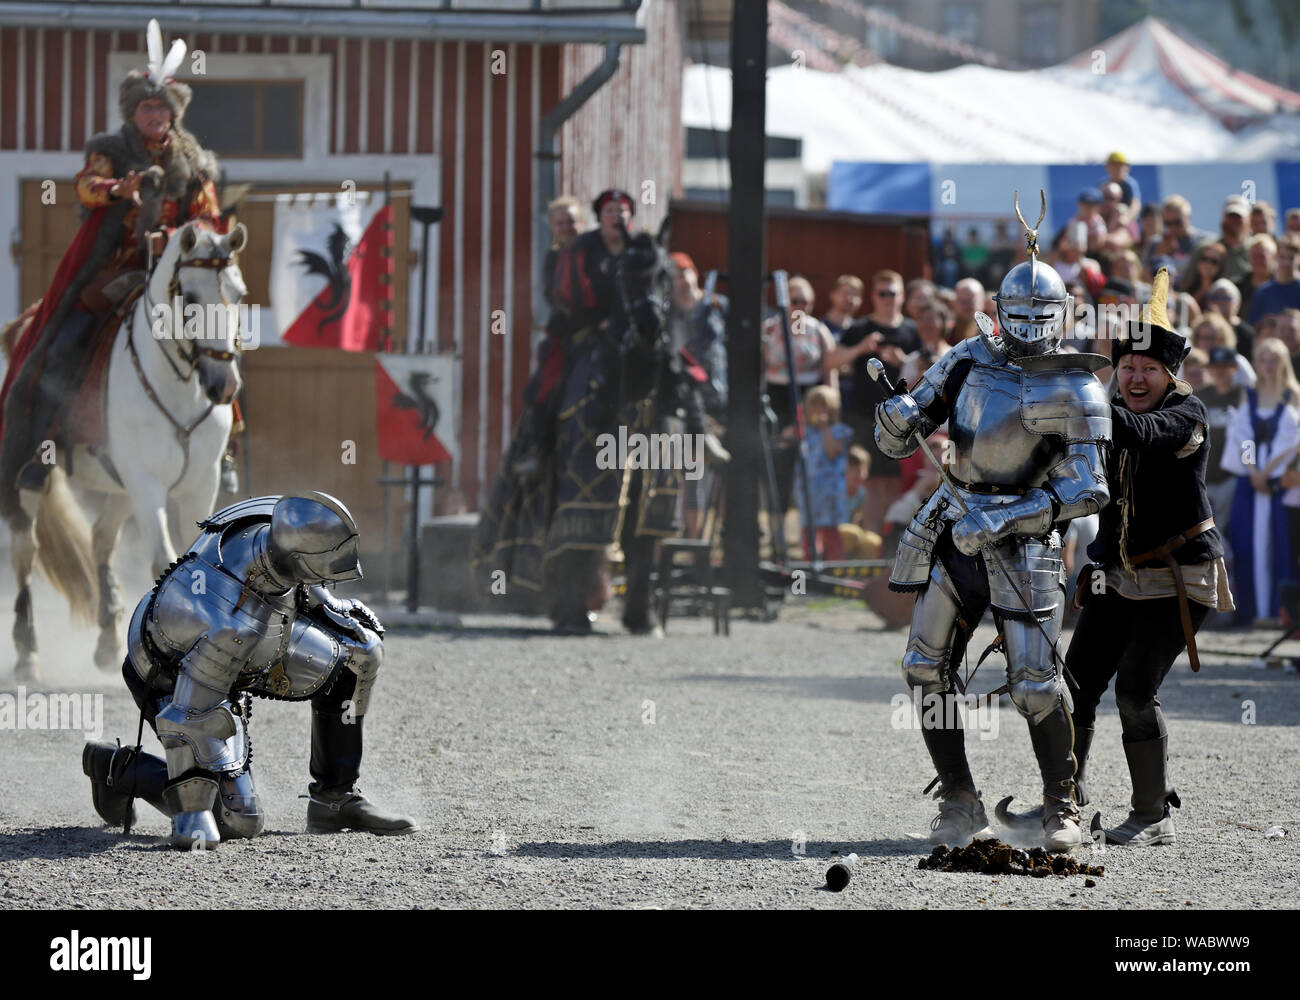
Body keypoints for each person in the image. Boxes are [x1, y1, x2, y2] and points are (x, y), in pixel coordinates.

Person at [875, 194, 1111, 851]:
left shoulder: (1077, 386)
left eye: (1042, 312)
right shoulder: (967, 357)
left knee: (1035, 683)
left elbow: (1089, 489)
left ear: (1062, 315)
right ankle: (958, 799)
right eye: (1019, 312)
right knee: (924, 666)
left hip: (1027, 540)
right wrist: (896, 420)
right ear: (999, 312)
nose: (1030, 323)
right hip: (953, 524)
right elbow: (911, 424)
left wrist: (1009, 516)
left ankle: (1060, 805)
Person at [81, 493, 415, 849]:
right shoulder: (224, 616)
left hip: (247, 639)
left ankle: (334, 798)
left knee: (358, 654)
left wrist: (341, 617)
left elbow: (303, 585)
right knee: (238, 820)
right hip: (169, 669)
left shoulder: (273, 536)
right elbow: (187, 718)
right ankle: (118, 769)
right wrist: (191, 818)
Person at [0, 20, 223, 504]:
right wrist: (117, 190)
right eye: (147, 106)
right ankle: (45, 447)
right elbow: (84, 185)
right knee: (62, 345)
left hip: (174, 278)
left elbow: (209, 219)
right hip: (113, 272)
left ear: (173, 112)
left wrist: (179, 238)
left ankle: (223, 448)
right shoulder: (110, 151)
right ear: (133, 111)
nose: (155, 114)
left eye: (162, 106)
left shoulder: (194, 161)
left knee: (219, 342)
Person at [1059, 268, 1233, 847]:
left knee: (1134, 687)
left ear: (1169, 374)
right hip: (1120, 572)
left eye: (1148, 368)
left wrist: (1073, 399)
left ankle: (1153, 814)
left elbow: (1142, 432)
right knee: (1074, 682)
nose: (1135, 376)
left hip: (1181, 576)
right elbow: (1101, 500)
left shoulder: (1189, 415)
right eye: (1128, 366)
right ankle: (1064, 805)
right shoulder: (1106, 410)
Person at [831, 270, 919, 532]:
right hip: (865, 417)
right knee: (868, 482)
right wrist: (861, 348)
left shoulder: (911, 331)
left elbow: (927, 373)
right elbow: (830, 361)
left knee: (893, 483)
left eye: (892, 293)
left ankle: (888, 549)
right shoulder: (859, 329)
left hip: (901, 421)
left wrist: (902, 362)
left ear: (902, 296)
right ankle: (868, 544)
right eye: (882, 293)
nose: (887, 299)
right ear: (873, 296)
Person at [1221, 337, 1300, 625]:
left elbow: (1292, 441)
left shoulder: (1292, 394)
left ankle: (1280, 612)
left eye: (1273, 360)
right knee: (1247, 542)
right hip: (1251, 480)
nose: (1268, 366)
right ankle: (1251, 610)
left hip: (1281, 482)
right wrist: (1255, 471)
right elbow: (1242, 435)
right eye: (1263, 360)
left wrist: (1268, 473)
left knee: (1281, 543)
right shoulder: (1249, 394)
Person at [793, 384, 853, 562]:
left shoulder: (838, 430)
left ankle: (835, 565)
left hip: (830, 490)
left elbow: (832, 451)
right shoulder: (804, 431)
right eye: (815, 404)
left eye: (824, 405)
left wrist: (825, 427)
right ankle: (810, 562)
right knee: (809, 530)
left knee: (831, 531)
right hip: (808, 488)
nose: (819, 409)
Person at [1198, 345, 1245, 555]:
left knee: (1230, 532)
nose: (1220, 371)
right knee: (1205, 533)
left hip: (1231, 478)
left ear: (1234, 368)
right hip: (1204, 478)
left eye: (1225, 367)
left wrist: (1249, 466)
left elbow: (1249, 437)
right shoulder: (1200, 396)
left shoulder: (1243, 396)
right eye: (1215, 367)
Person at [1246, 232, 1300, 325]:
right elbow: (1254, 326)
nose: (1286, 263)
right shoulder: (1263, 292)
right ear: (1275, 257)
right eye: (1282, 257)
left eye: (1291, 258)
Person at [1190, 312, 1255, 389]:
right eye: (1205, 338)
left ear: (1224, 339)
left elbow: (1251, 387)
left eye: (1214, 337)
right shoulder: (1187, 362)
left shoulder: (1237, 361)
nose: (1209, 342)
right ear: (1196, 339)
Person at [1203, 276, 1255, 362]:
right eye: (1216, 297)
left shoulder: (1247, 333)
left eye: (1226, 298)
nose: (1221, 302)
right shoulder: (1203, 328)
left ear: (1237, 303)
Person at [1237, 233, 1276, 320]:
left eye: (1262, 256)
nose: (1258, 261)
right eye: (1254, 256)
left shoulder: (1282, 285)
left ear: (1273, 257)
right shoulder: (1238, 287)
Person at [1216, 197, 1252, 285]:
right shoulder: (1208, 250)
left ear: (1248, 219)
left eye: (1238, 217)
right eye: (1230, 216)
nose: (1233, 221)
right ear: (1223, 217)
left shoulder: (1257, 250)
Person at [1101, 151, 1142, 217]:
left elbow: (1135, 205)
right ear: (1107, 167)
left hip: (1125, 221)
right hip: (1106, 220)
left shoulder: (1130, 184)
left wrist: (1127, 218)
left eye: (1119, 165)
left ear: (1127, 168)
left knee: (1121, 208)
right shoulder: (1103, 184)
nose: (1117, 168)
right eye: (1113, 165)